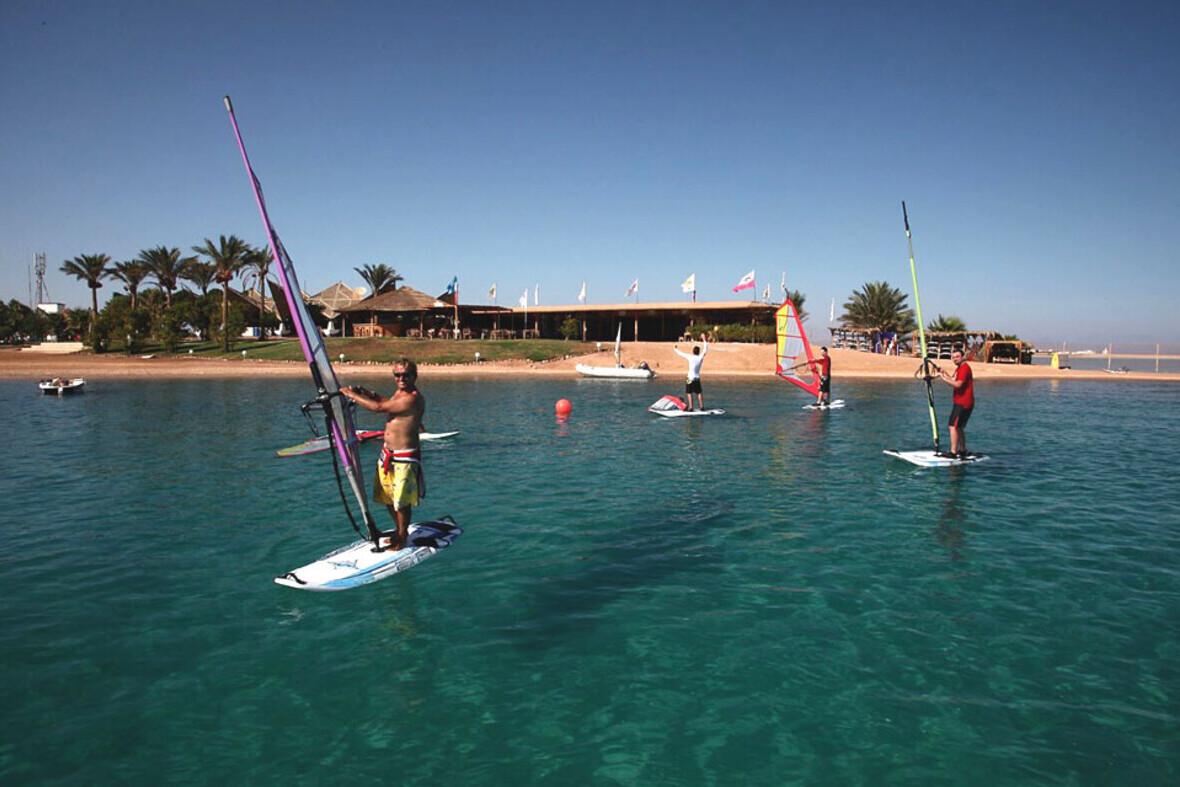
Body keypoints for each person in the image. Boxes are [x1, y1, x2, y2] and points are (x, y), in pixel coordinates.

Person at [341, 358, 425, 551]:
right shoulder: (399, 393)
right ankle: (398, 531)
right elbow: (386, 402)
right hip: (388, 455)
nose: (401, 378)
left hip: (404, 457)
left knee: (401, 502)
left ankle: (403, 537)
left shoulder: (411, 397)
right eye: (397, 375)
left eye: (406, 375)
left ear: (414, 376)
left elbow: (377, 408)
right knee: (387, 497)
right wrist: (368, 393)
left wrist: (351, 394)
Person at [939, 348, 974, 458]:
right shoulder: (960, 368)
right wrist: (944, 374)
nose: (955, 359)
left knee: (952, 426)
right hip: (965, 402)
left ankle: (953, 452)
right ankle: (962, 450)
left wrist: (944, 379)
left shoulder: (964, 368)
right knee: (958, 427)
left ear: (963, 357)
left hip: (963, 403)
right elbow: (954, 380)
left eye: (957, 356)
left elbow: (958, 384)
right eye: (953, 357)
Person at [672, 335, 709, 410]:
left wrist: (675, 349)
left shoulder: (690, 357)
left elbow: (681, 354)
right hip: (697, 378)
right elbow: (705, 350)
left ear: (693, 351)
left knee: (689, 392)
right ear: (698, 352)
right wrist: (704, 340)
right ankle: (701, 407)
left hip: (689, 378)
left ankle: (691, 407)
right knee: (699, 392)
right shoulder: (700, 357)